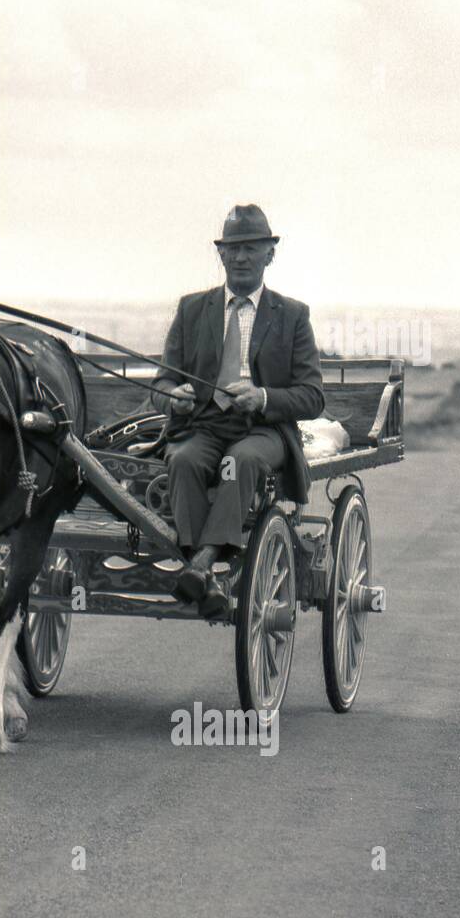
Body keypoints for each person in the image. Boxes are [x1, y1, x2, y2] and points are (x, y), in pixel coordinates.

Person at [146, 205, 325, 618]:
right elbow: (160, 384)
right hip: (204, 425)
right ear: (221, 255)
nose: (241, 257)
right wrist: (174, 397)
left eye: (251, 248)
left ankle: (202, 561)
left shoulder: (293, 316)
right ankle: (204, 572)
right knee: (184, 459)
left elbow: (313, 396)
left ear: (269, 254)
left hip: (263, 431)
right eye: (233, 249)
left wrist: (263, 397)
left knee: (240, 460)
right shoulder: (192, 310)